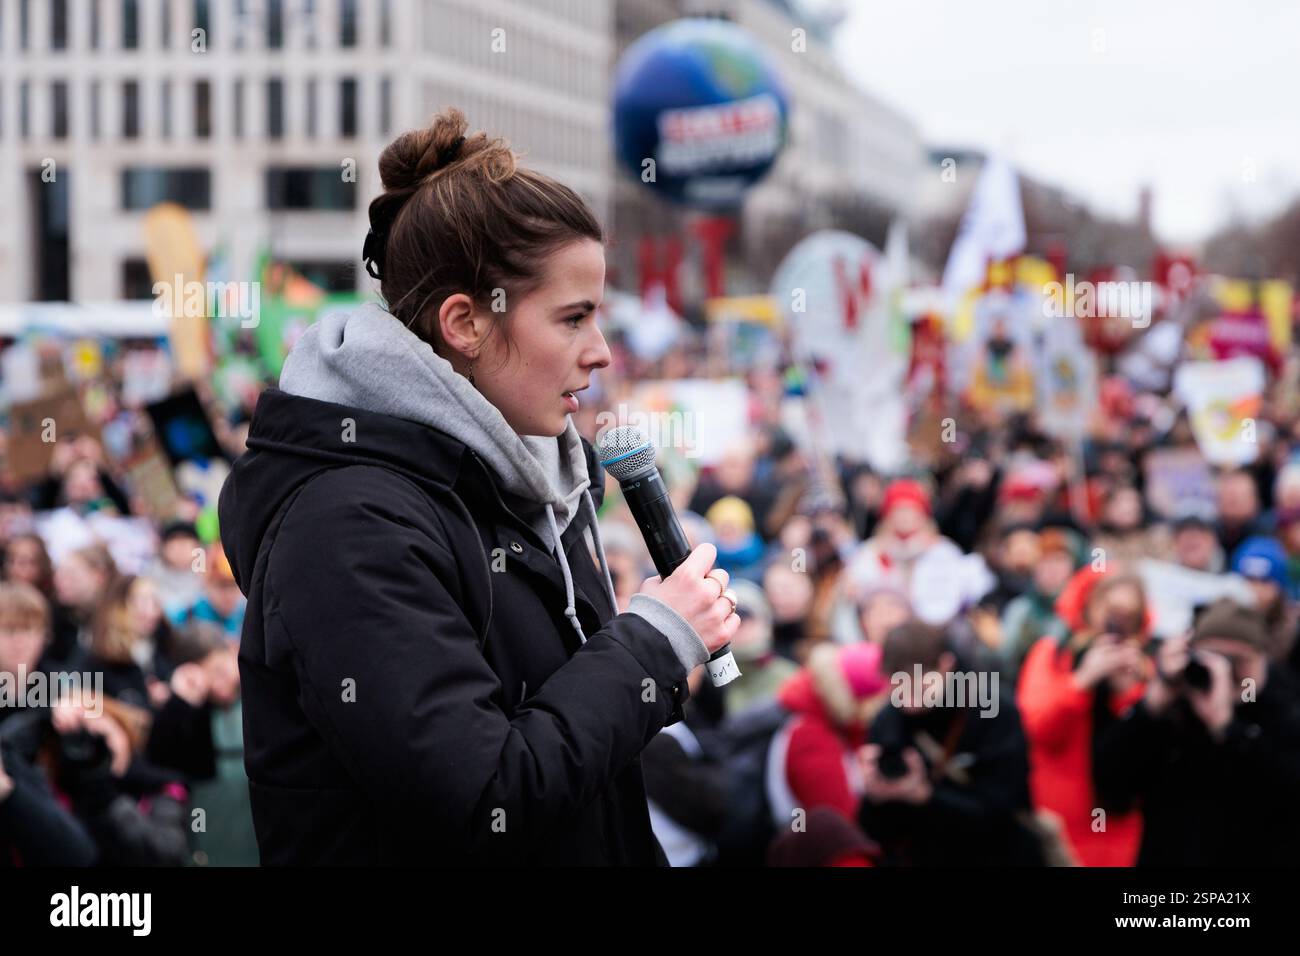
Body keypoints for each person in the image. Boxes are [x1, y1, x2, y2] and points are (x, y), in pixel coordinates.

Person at [217, 107, 741, 865]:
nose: (601, 353)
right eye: (572, 319)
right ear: (466, 323)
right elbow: (483, 799)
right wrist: (649, 644)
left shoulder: (524, 483)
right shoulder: (348, 525)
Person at [1094, 599, 1300, 865]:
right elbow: (1110, 787)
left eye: (1237, 660)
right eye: (1212, 658)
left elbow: (1286, 794)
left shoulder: (1285, 712)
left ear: (1263, 661)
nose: (1224, 671)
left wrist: (1227, 727)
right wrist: (1153, 702)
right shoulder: (1176, 710)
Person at [857, 620, 1044, 866]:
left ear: (946, 666)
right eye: (899, 689)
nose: (908, 701)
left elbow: (1006, 808)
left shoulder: (992, 709)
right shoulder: (888, 720)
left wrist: (926, 796)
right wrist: (876, 795)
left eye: (919, 687)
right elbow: (877, 831)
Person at [1016, 569, 1150, 866]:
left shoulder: (1143, 669)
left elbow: (1151, 748)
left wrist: (1127, 692)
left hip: (1121, 827)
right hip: (1061, 825)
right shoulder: (1053, 655)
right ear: (1088, 607)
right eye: (1111, 612)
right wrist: (1082, 682)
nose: (1117, 625)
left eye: (1129, 615)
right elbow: (1038, 729)